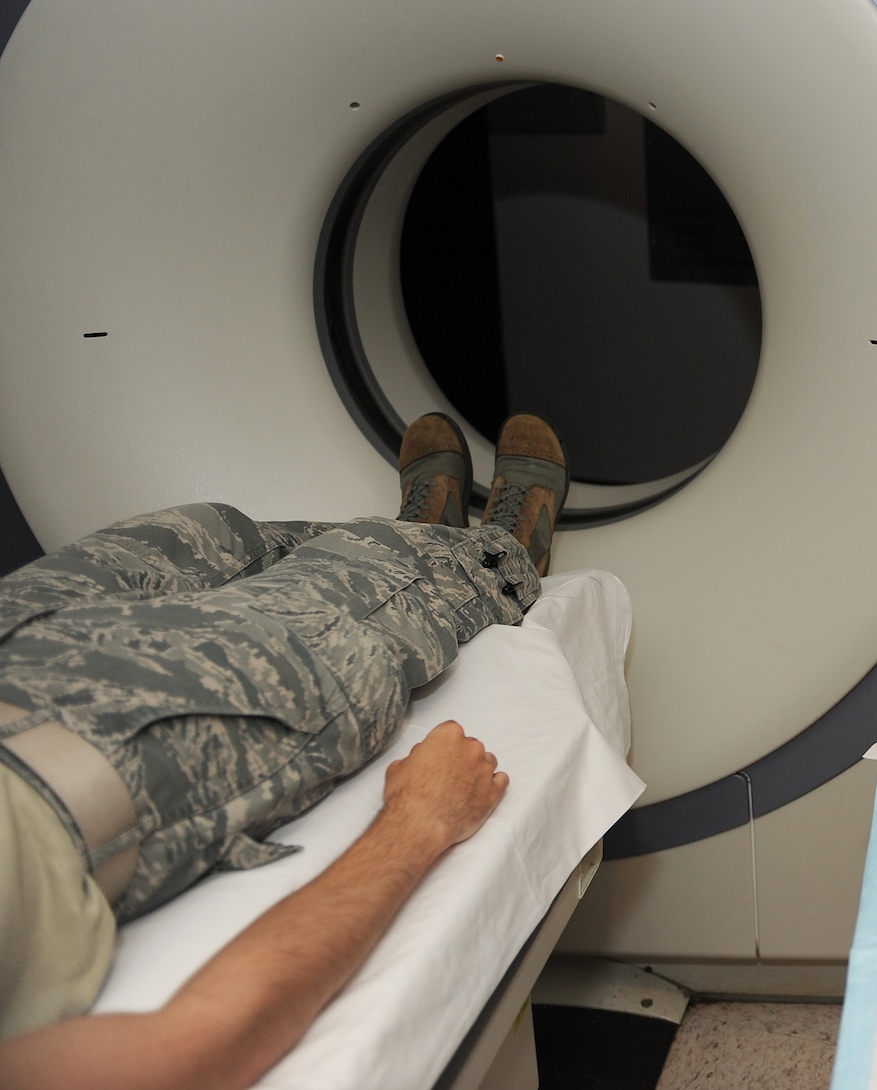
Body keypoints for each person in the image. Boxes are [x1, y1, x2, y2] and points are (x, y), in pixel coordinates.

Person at [0, 411, 570, 1089]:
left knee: (199, 532)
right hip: (69, 771)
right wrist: (418, 820)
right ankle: (494, 552)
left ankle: (423, 532)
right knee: (350, 600)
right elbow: (195, 1045)